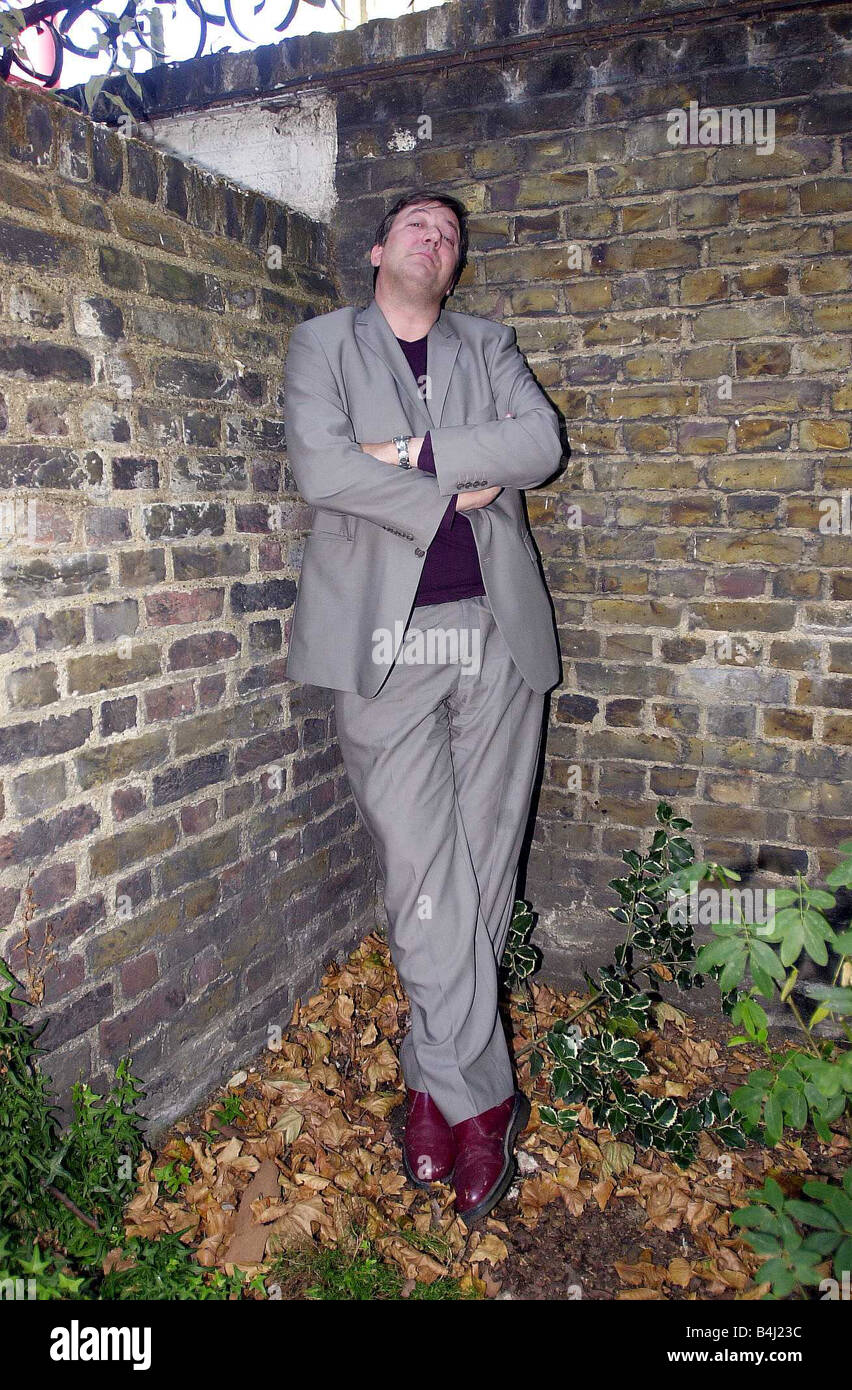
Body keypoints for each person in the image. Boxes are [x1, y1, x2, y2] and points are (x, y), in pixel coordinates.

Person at [283, 189, 564, 1223]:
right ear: (377, 250)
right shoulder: (322, 346)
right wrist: (457, 476)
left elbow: (536, 445)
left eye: (449, 234)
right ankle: (483, 1102)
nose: (434, 239)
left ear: (456, 266)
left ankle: (430, 1079)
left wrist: (413, 455)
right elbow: (321, 468)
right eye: (416, 226)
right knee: (420, 870)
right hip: (384, 643)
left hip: (493, 631)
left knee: (483, 865)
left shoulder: (490, 344)